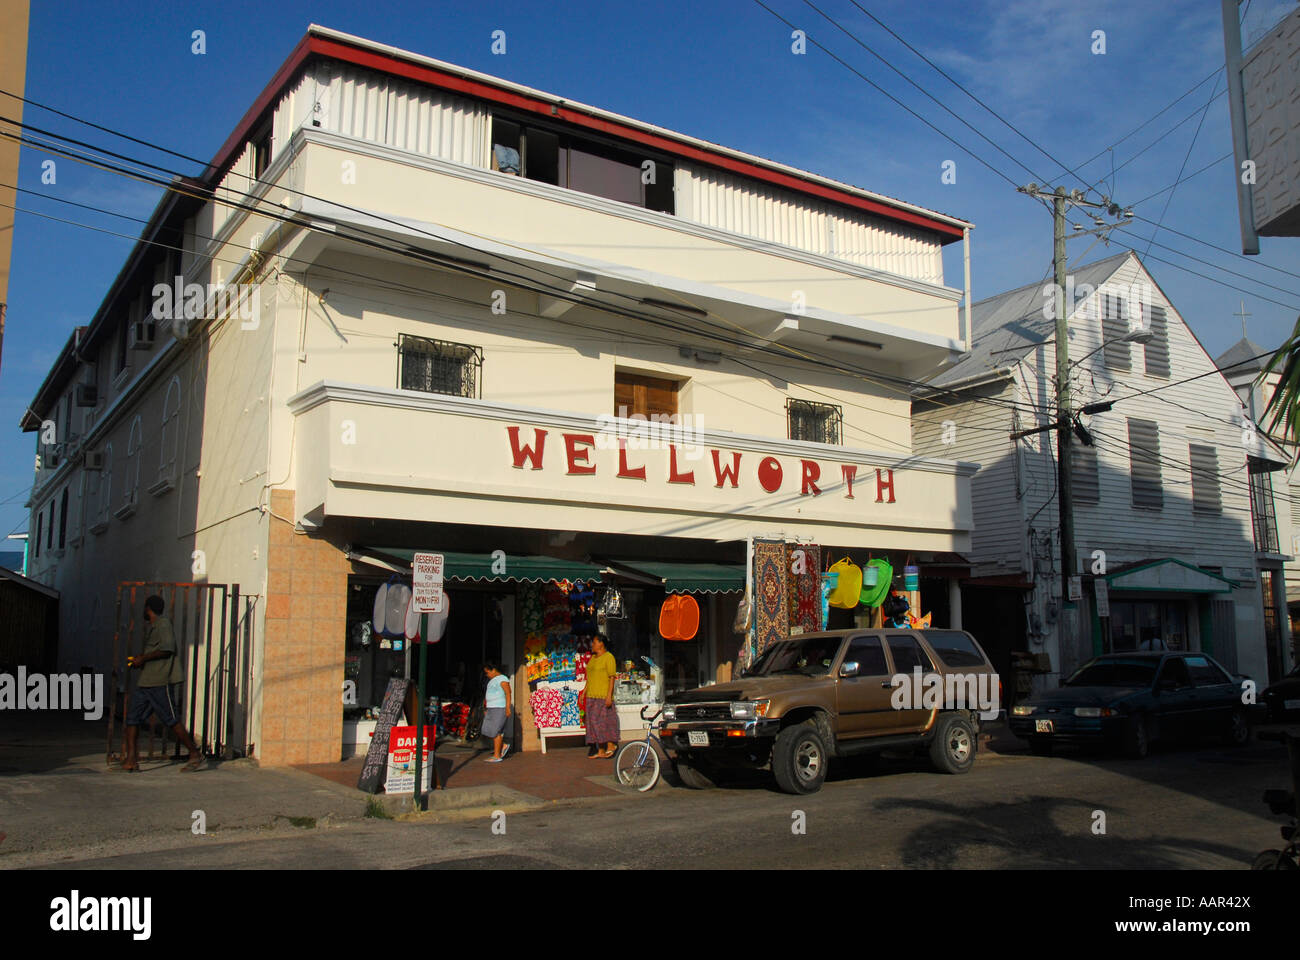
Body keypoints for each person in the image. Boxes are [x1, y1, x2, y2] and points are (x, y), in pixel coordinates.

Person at [120, 595, 204, 772]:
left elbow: (168, 648)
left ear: (148, 608)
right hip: (147, 681)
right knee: (132, 719)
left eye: (145, 608)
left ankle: (195, 753)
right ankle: (131, 760)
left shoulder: (163, 624)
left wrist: (143, 658)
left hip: (160, 681)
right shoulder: (154, 626)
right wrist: (140, 660)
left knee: (171, 719)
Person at [584, 636, 618, 759]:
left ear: (601, 644)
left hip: (602, 695)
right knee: (592, 723)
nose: (592, 644)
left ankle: (611, 745)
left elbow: (612, 677)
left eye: (594, 642)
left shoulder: (609, 657)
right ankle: (601, 749)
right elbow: (590, 676)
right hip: (591, 695)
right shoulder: (592, 658)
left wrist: (609, 695)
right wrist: (584, 691)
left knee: (603, 722)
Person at [480, 662, 512, 763]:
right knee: (487, 730)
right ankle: (503, 746)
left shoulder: (503, 679)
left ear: (493, 670)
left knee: (495, 731)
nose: (487, 674)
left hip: (499, 707)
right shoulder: (491, 681)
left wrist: (507, 708)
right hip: (491, 708)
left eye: (487, 672)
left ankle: (497, 755)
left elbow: (508, 693)